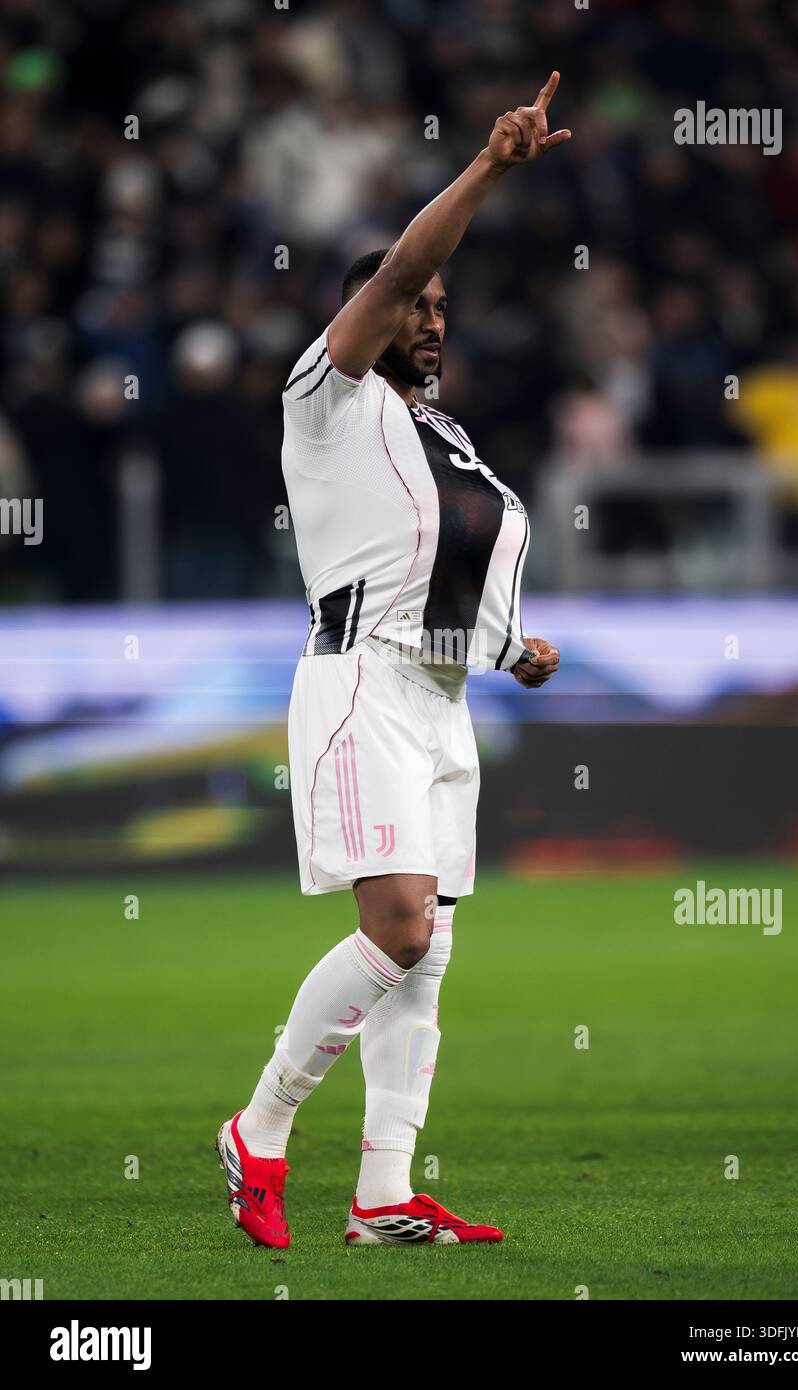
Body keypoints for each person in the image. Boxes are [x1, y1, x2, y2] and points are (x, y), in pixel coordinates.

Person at [217, 72, 566, 1248]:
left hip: (442, 696)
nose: (429, 314)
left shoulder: (447, 439)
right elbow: (401, 265)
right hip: (360, 674)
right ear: (371, 305)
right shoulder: (327, 395)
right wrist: (487, 170)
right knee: (401, 925)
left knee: (432, 948)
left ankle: (381, 1195)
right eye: (411, 295)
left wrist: (513, 646)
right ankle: (259, 1129)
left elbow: (456, 565)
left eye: (439, 304)